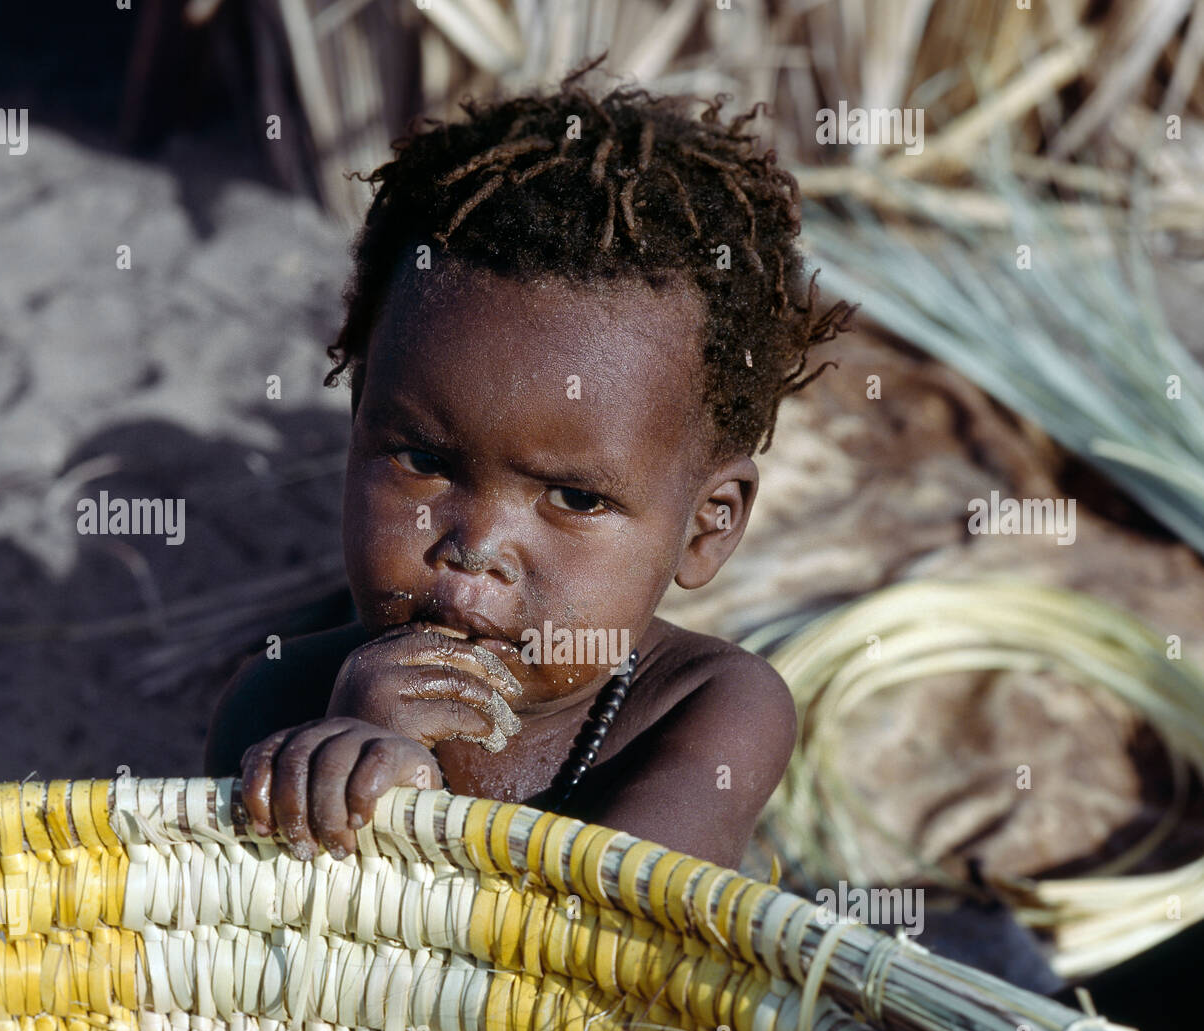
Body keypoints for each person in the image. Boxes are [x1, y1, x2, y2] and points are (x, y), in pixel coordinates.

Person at [204, 56, 853, 871]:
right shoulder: (276, 699)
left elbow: (628, 935)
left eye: (577, 497)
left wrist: (410, 809)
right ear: (358, 415)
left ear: (705, 528)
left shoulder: (710, 708)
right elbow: (238, 954)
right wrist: (346, 762)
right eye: (421, 459)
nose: (475, 545)